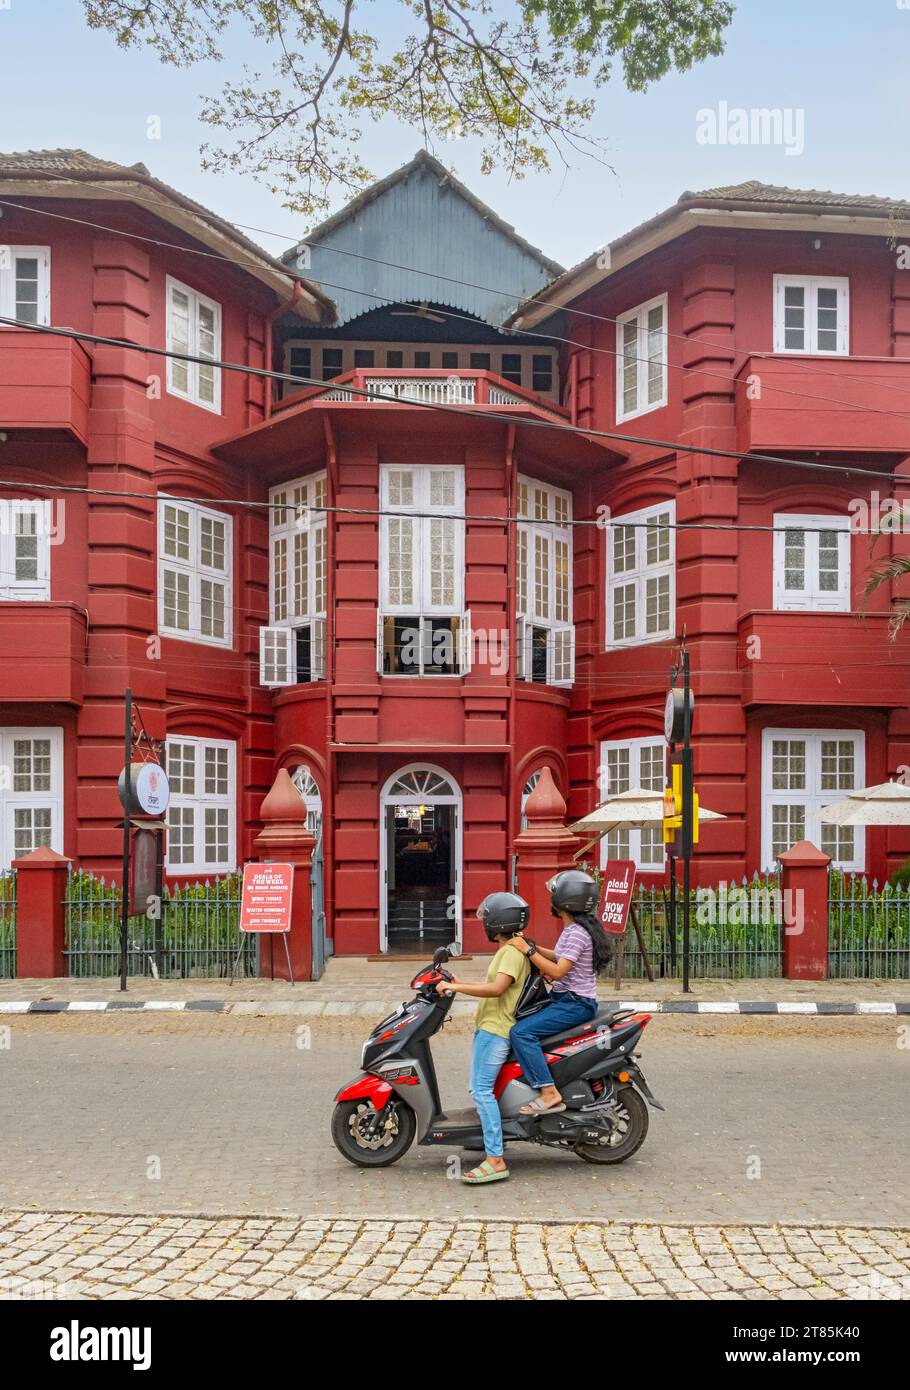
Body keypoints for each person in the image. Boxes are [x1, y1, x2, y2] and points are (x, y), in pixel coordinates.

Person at [435, 891, 530, 1185]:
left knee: (481, 1090)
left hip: (496, 1028)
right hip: (491, 1026)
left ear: (497, 923)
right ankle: (487, 1139)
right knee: (482, 1088)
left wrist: (458, 988)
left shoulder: (512, 953)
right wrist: (460, 983)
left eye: (486, 920)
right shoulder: (512, 949)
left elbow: (497, 989)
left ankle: (495, 1160)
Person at [508, 869, 612, 1115]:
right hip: (567, 1000)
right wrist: (531, 946)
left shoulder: (576, 933)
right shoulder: (574, 929)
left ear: (564, 901)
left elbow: (558, 972)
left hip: (574, 1004)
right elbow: (559, 957)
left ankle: (548, 1091)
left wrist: (528, 951)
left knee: (521, 1033)